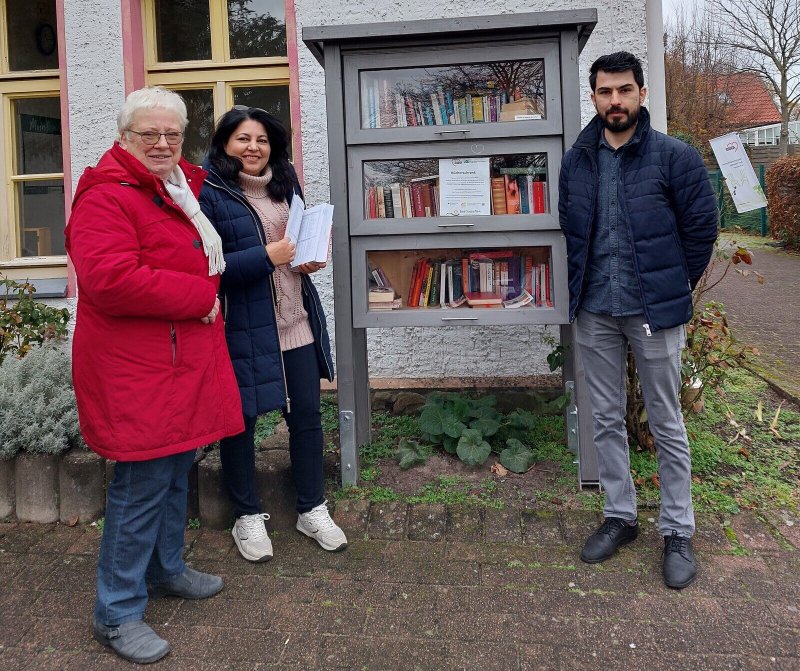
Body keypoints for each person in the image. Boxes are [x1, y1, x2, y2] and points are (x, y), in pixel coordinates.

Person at [65, 87, 244, 664]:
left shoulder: (176, 188)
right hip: (135, 369)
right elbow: (109, 280)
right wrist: (200, 295)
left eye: (173, 133)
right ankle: (115, 613)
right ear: (125, 138)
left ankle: (165, 569)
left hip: (172, 362)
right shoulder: (105, 199)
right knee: (140, 487)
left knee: (171, 473)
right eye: (150, 134)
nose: (164, 143)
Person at [558, 52, 718, 589]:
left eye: (625, 90)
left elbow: (700, 232)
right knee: (604, 418)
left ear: (642, 93)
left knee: (666, 422)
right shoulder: (577, 160)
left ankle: (677, 530)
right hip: (595, 310)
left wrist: (671, 286)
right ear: (595, 98)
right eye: (605, 92)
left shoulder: (676, 158)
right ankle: (620, 517)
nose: (615, 101)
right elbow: (571, 229)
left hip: (653, 312)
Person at [199, 106, 346, 563]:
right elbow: (209, 269)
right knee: (241, 422)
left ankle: (312, 508)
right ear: (224, 144)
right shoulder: (209, 194)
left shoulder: (286, 183)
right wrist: (271, 253)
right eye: (243, 139)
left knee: (306, 415)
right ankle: (247, 515)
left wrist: (308, 256)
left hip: (296, 321)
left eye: (261, 140)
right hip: (244, 327)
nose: (253, 148)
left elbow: (296, 248)